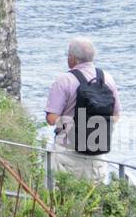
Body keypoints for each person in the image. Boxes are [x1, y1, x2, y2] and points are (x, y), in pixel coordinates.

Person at [45, 37, 121, 185]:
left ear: (72, 58)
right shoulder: (107, 79)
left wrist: (73, 125)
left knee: (62, 200)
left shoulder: (64, 80)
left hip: (67, 154)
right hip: (97, 156)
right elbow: (116, 115)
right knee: (93, 202)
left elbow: (51, 118)